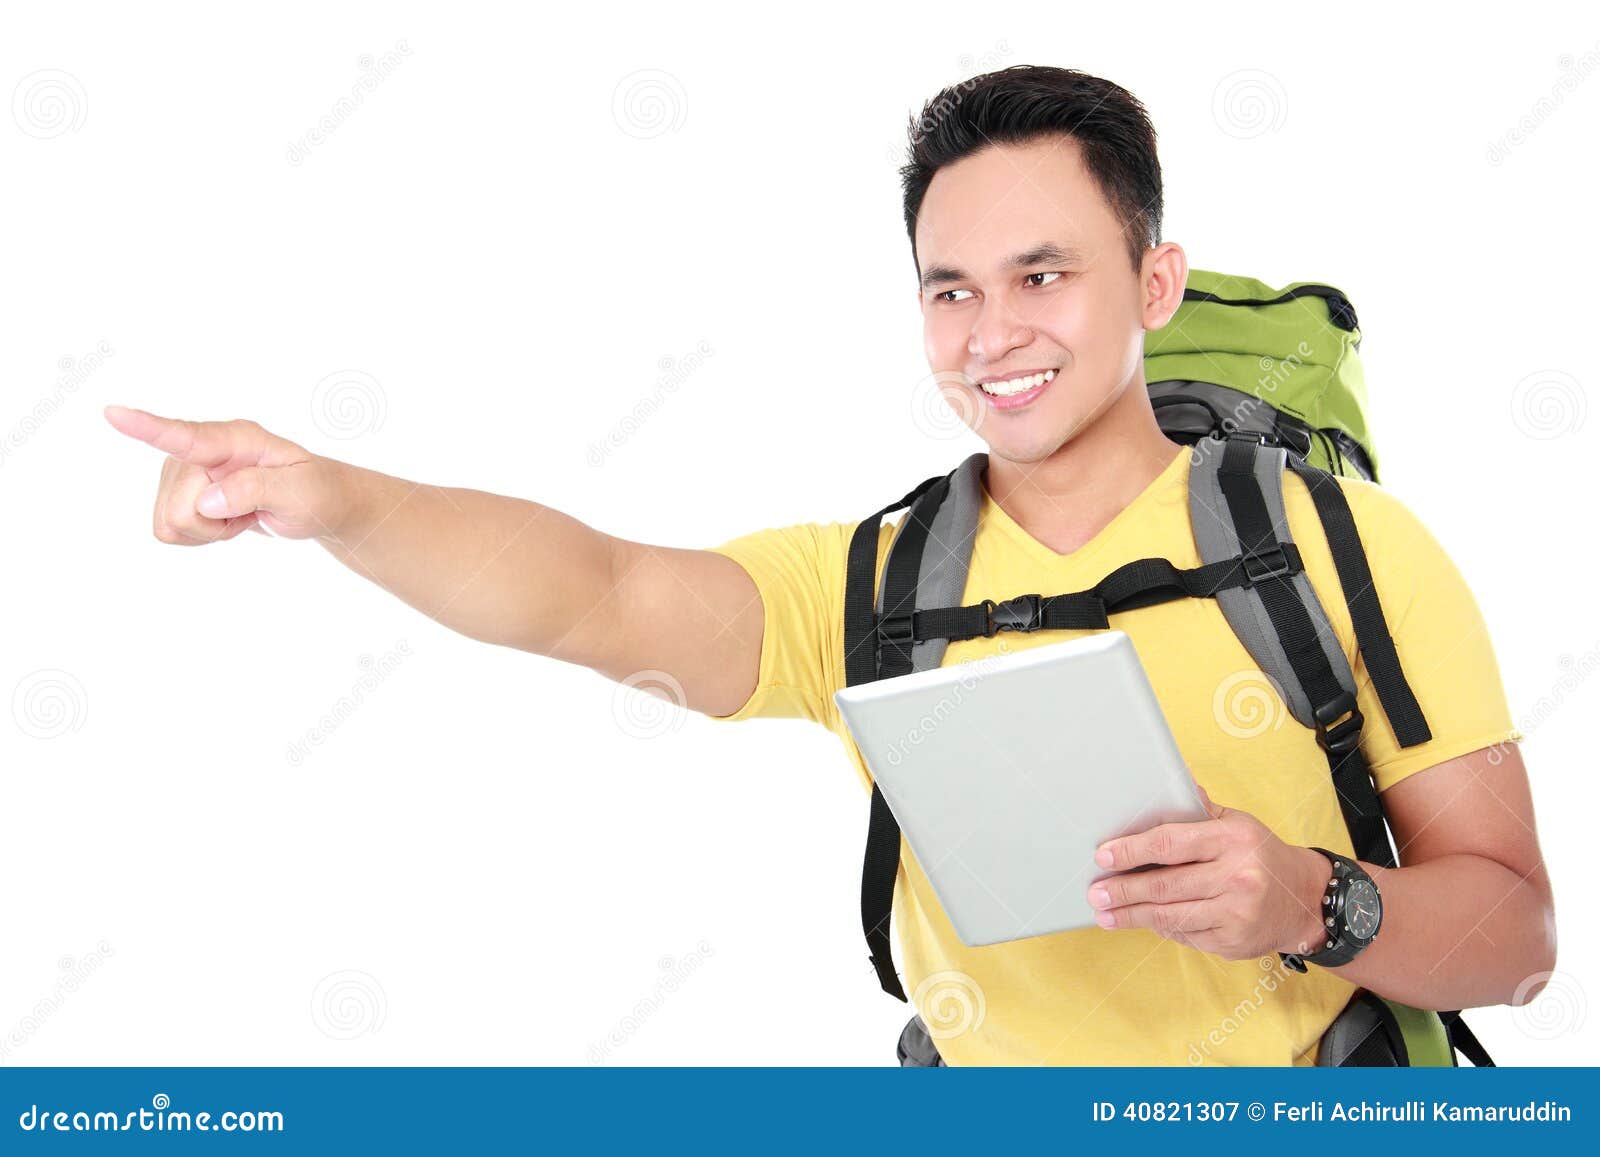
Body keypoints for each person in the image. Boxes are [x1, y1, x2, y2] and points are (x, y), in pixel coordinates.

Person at [104, 65, 1555, 1066]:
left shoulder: (1333, 545)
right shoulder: (874, 585)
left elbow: (1520, 937)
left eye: (1044, 274)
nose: (993, 333)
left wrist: (1318, 900)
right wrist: (332, 495)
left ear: (1153, 285)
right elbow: (596, 591)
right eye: (951, 289)